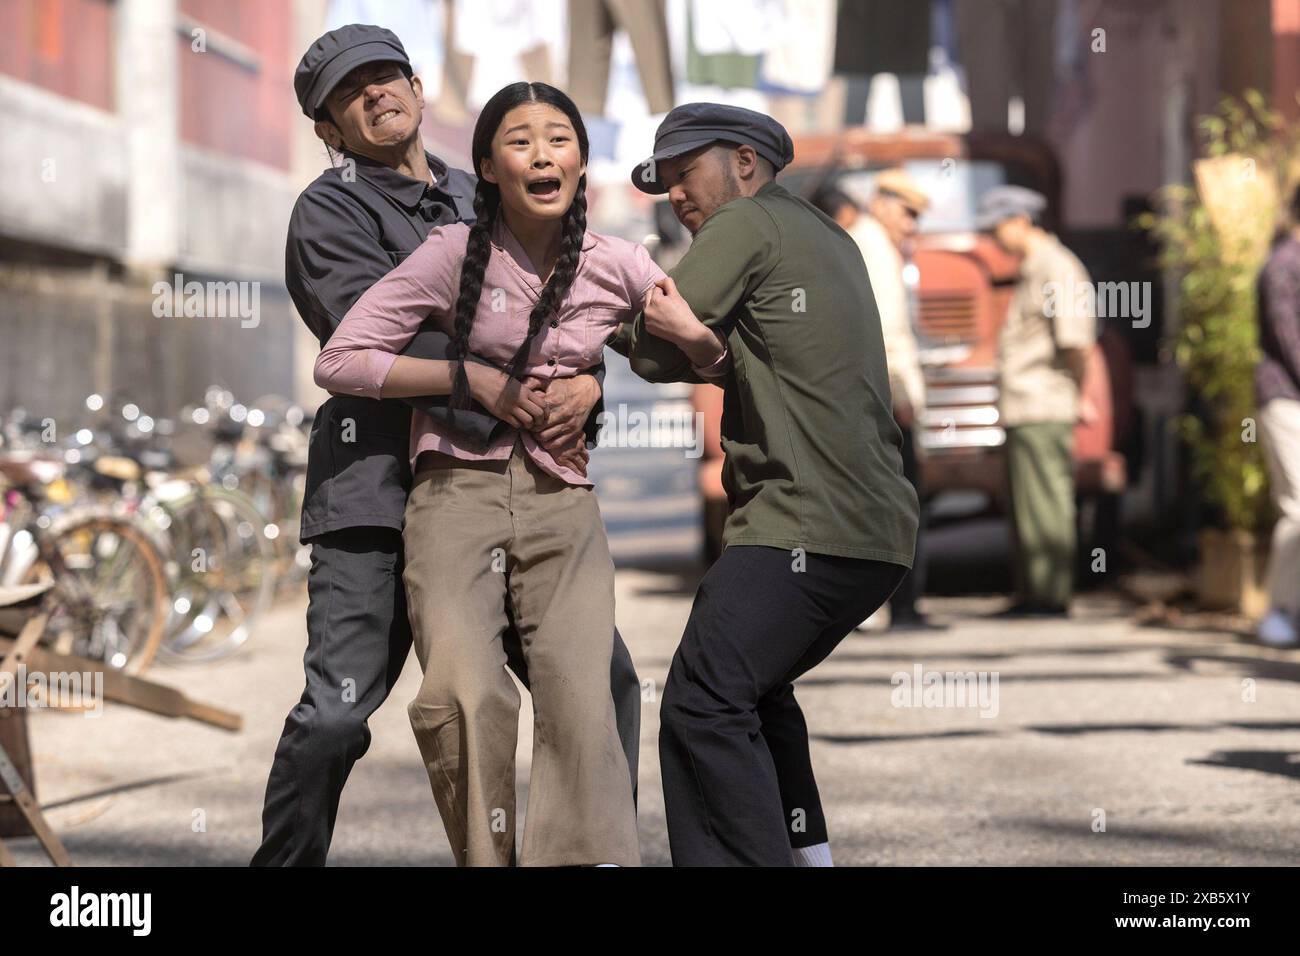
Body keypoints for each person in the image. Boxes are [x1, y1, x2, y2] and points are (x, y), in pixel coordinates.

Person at [252, 26, 642, 867]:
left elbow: (576, 303)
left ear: (422, 90)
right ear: (328, 129)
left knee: (601, 682)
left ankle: (595, 855)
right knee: (335, 718)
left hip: (505, 486)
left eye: (389, 75)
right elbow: (377, 346)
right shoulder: (329, 212)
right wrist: (506, 377)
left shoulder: (489, 186)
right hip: (376, 493)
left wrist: (589, 386)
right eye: (350, 93)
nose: (376, 93)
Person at [315, 82, 729, 867]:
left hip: (562, 506)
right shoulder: (447, 256)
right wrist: (467, 378)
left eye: (559, 139)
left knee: (580, 698)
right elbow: (340, 359)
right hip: (453, 498)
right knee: (464, 694)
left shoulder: (620, 264)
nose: (543, 154)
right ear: (487, 170)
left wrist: (692, 346)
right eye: (520, 140)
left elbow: (706, 355)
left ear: (581, 163)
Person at [610, 103, 918, 866]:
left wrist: (587, 295)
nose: (676, 194)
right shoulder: (828, 235)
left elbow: (655, 347)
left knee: (703, 702)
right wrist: (707, 351)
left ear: (745, 163)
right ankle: (809, 854)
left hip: (801, 522)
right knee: (756, 688)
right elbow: (727, 346)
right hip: (875, 529)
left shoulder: (742, 225)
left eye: (687, 173)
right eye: (665, 183)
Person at [813, 171, 940, 630]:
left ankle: (896, 605)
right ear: (882, 203)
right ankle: (899, 606)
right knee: (895, 505)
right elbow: (882, 333)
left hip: (880, 394)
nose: (912, 225)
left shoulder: (878, 244)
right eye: (907, 213)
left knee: (888, 504)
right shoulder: (872, 245)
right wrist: (900, 396)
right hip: (885, 395)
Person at [976, 185, 1096, 617]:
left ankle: (1050, 595)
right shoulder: (1035, 266)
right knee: (1025, 503)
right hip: (1026, 403)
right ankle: (1032, 591)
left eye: (997, 228)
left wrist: (1078, 395)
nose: (993, 239)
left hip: (1044, 400)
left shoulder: (1057, 267)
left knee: (1045, 500)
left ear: (1020, 222)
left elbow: (1076, 343)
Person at [1254, 184, 1300, 648]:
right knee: (1299, 507)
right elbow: (1290, 342)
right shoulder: (1284, 265)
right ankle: (1281, 611)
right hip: (1286, 398)